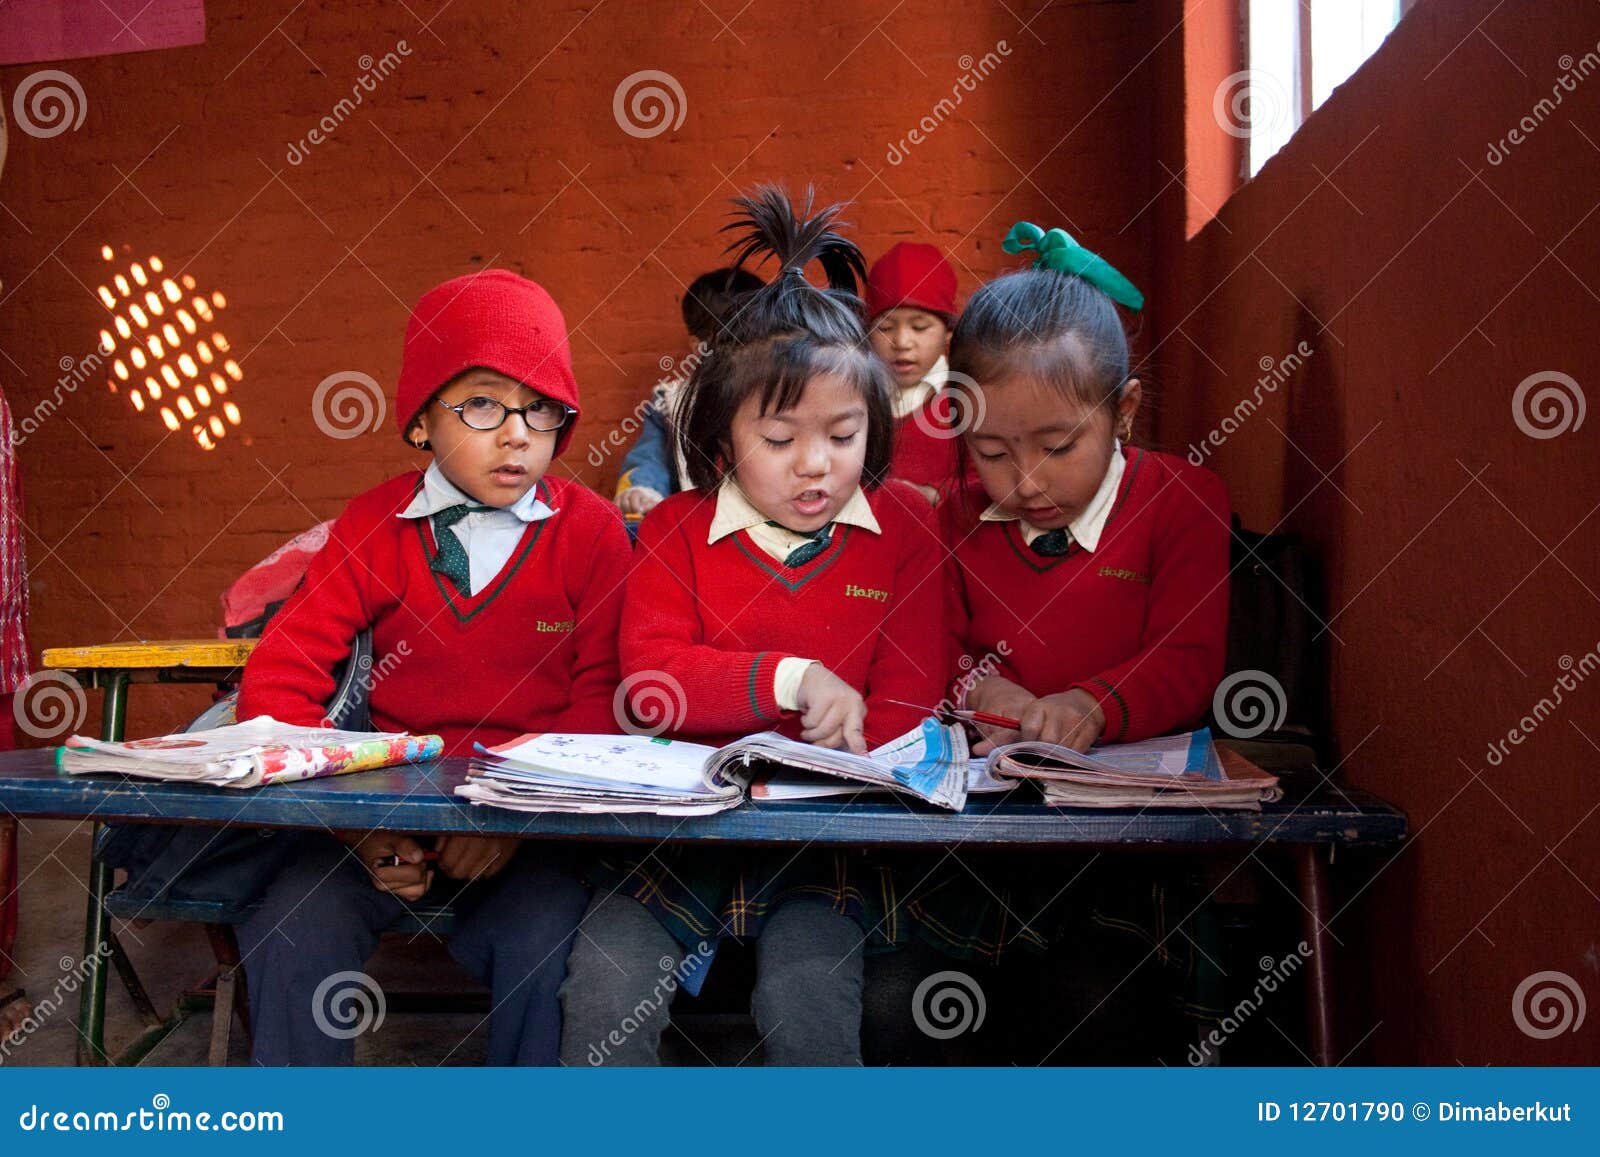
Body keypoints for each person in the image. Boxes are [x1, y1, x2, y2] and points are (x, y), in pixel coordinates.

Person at [560, 187, 947, 1066]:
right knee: (604, 991)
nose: (816, 465)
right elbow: (650, 685)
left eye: (843, 435)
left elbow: (909, 702)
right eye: (779, 440)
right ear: (722, 439)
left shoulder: (907, 530)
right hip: (680, 840)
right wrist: (792, 680)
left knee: (807, 999)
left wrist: (835, 749)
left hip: (829, 845)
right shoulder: (674, 529)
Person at [234, 270, 631, 1065]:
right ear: (420, 419)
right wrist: (360, 830)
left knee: (547, 937)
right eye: (482, 404)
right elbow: (280, 681)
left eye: (541, 407)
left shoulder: (588, 531)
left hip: (532, 828)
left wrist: (512, 823)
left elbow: (605, 699)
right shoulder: (374, 525)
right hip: (384, 814)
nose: (516, 434)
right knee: (292, 921)